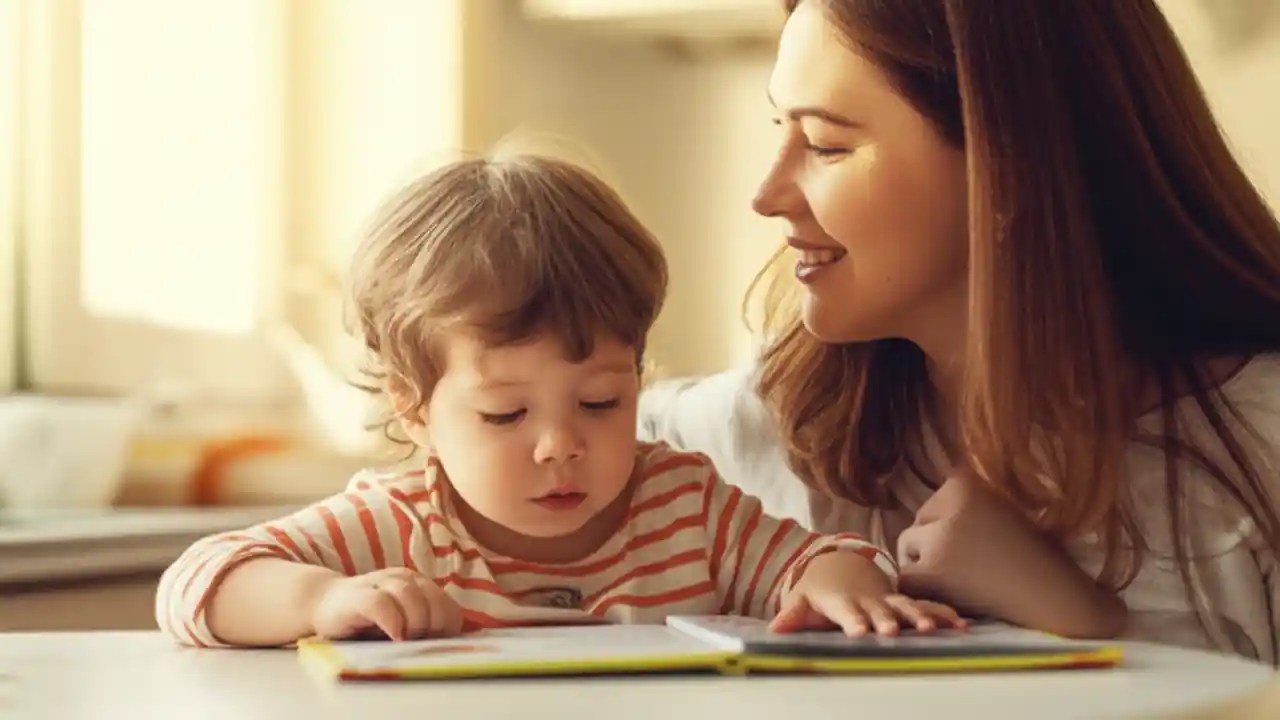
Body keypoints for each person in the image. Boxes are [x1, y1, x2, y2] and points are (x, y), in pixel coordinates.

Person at [640, 0, 1280, 662]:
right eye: (780, 126)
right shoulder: (771, 431)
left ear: (1006, 167)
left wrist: (1082, 622)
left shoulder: (1258, 451)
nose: (766, 193)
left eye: (825, 144)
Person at [154, 152, 963, 648]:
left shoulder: (684, 507)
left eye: (603, 402)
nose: (559, 445)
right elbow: (197, 582)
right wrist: (324, 598)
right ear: (412, 410)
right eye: (506, 414)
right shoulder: (396, 525)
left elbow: (818, 559)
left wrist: (839, 581)